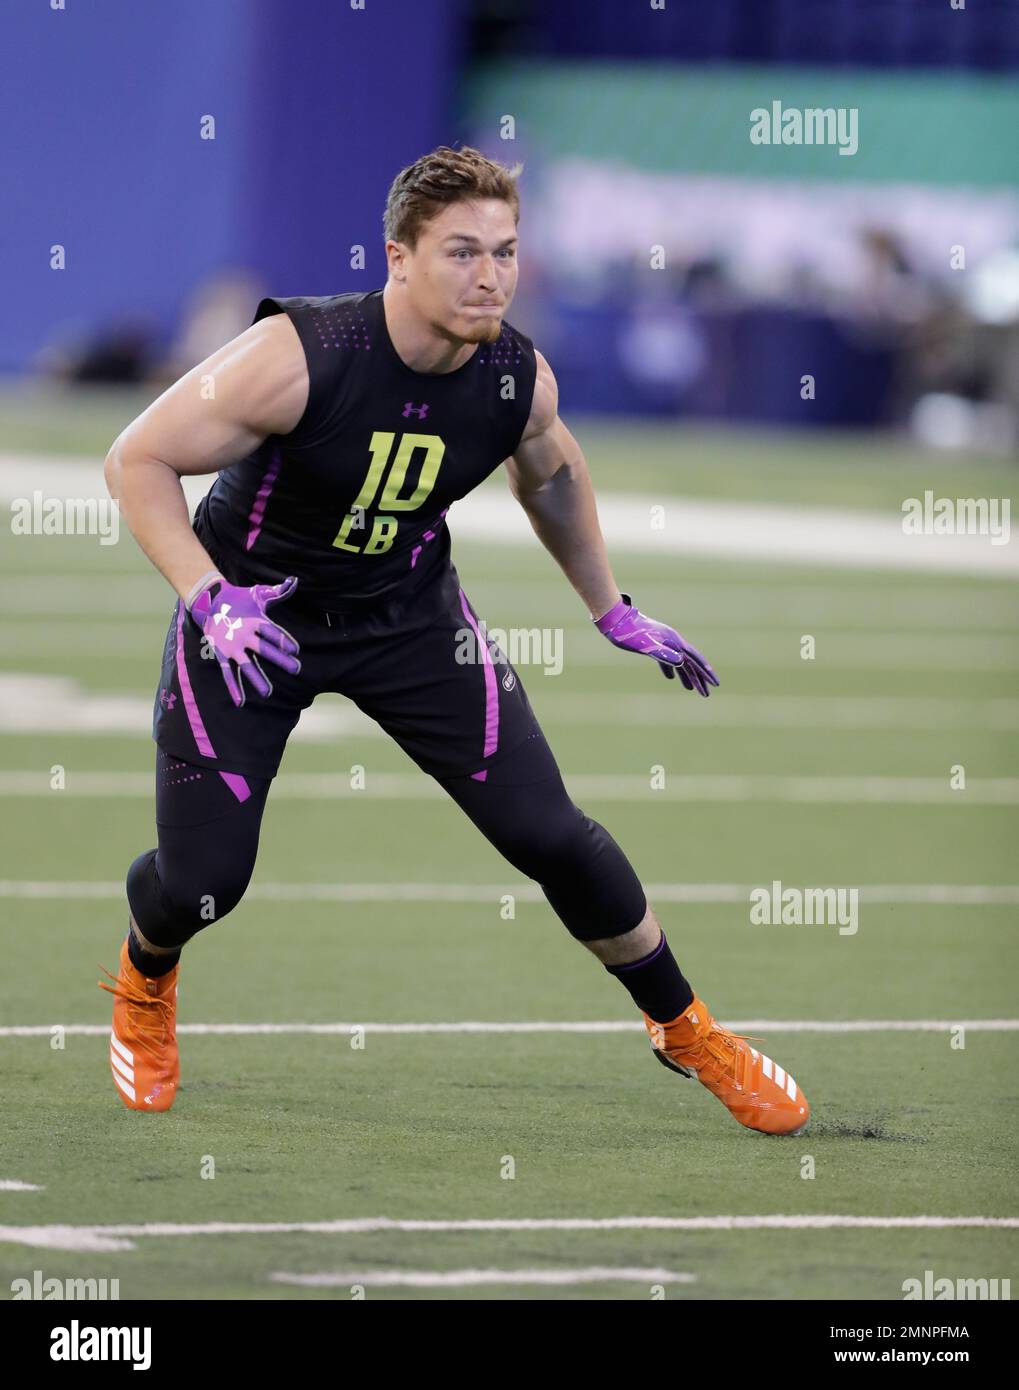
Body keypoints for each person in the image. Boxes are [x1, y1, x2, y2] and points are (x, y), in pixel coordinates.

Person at [100, 145, 809, 1136]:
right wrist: (209, 596)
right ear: (398, 258)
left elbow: (551, 473)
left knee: (551, 832)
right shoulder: (302, 355)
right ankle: (144, 978)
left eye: (507, 253)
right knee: (204, 882)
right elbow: (137, 457)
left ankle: (682, 1025)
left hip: (407, 617)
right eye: (463, 253)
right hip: (253, 626)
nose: (491, 276)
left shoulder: (514, 374)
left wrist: (609, 606)